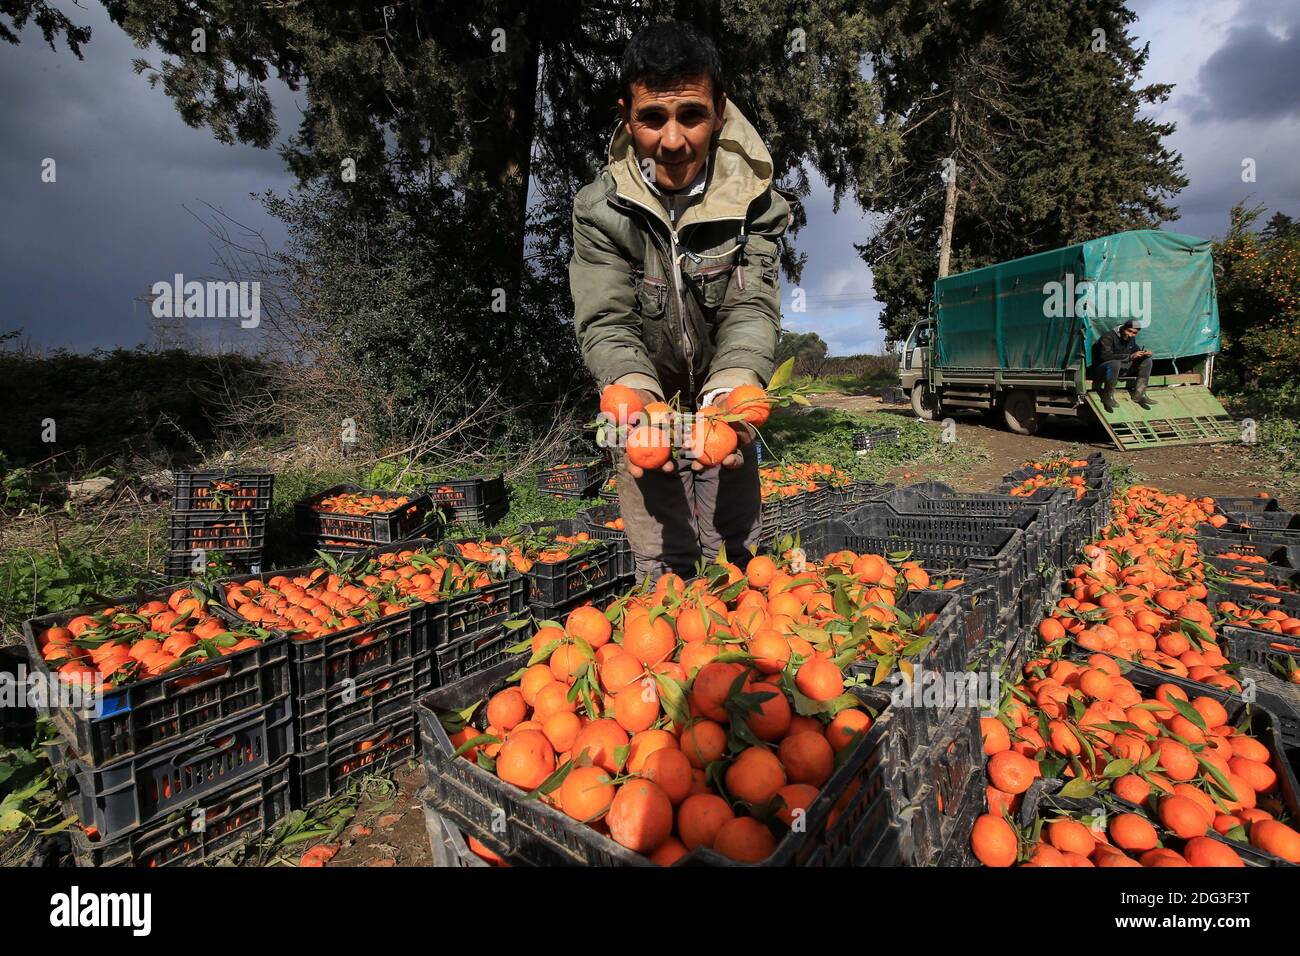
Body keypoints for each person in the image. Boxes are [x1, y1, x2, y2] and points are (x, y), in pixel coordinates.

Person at [569, 20, 789, 582]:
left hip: (724, 398)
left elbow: (751, 308)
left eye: (690, 114)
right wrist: (637, 400)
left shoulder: (756, 205)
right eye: (652, 118)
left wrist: (731, 391)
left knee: (734, 554)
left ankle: (739, 644)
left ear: (718, 109)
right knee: (663, 564)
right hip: (645, 400)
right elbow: (607, 319)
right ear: (627, 115)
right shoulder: (600, 211)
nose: (673, 140)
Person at [1091, 320, 1155, 411]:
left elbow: (1134, 351)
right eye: (1129, 331)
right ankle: (1107, 396)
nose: (1131, 335)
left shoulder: (1131, 338)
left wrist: (1144, 353)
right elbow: (1105, 356)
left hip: (1120, 369)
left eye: (1134, 333)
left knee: (1147, 361)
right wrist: (1129, 357)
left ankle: (1140, 394)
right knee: (1115, 363)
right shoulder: (1108, 337)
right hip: (1103, 371)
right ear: (1122, 328)